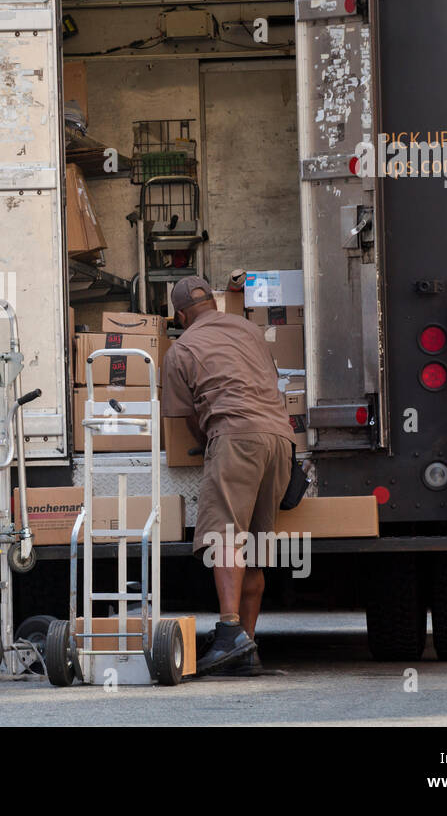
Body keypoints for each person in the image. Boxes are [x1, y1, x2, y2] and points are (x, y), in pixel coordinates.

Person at [161, 275, 296, 677]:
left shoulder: (180, 348)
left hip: (237, 439)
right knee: (254, 548)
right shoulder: (250, 330)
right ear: (214, 306)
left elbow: (183, 416)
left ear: (180, 314)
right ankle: (247, 648)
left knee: (224, 537)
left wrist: (210, 440)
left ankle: (228, 630)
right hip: (280, 440)